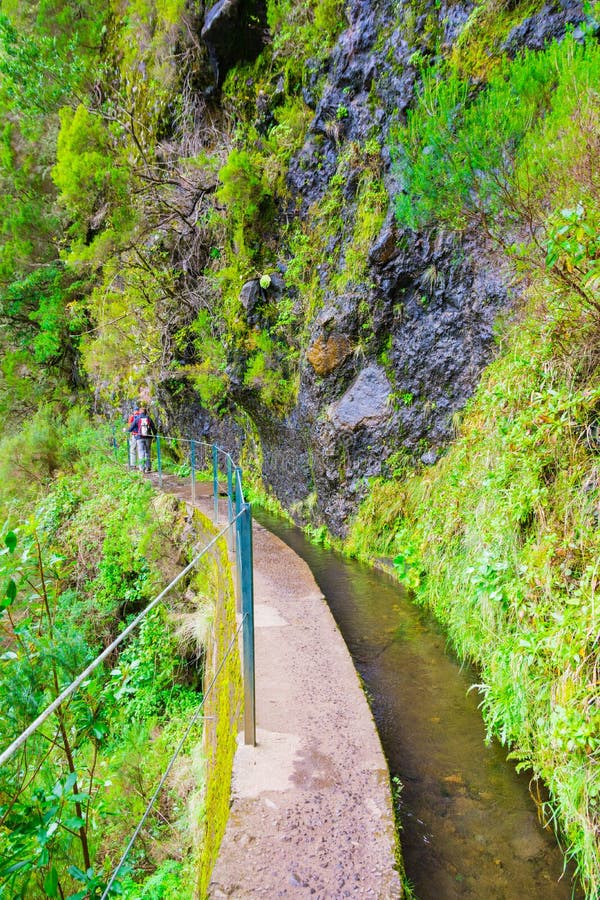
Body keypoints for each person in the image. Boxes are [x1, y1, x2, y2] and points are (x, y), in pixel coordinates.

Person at [128, 407, 157, 473]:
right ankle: (148, 467)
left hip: (140, 438)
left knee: (141, 452)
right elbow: (153, 428)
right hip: (148, 437)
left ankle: (142, 468)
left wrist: (128, 431)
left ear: (140, 412)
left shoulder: (137, 418)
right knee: (148, 452)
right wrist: (155, 436)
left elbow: (131, 428)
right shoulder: (149, 418)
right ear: (146, 412)